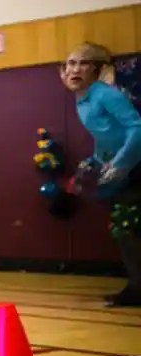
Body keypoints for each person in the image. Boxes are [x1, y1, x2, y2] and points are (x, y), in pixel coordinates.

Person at [62, 42, 141, 307]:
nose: (75, 69)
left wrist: (120, 164)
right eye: (70, 64)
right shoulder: (82, 100)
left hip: (135, 168)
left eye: (82, 63)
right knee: (124, 230)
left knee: (126, 228)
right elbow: (107, 135)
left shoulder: (106, 95)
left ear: (96, 70)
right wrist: (95, 161)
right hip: (123, 170)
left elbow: (137, 128)